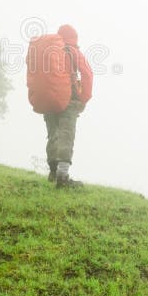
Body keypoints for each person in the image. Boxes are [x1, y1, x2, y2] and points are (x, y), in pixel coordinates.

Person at [45, 24, 93, 188]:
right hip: (69, 101)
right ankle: (63, 177)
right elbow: (87, 74)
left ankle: (52, 172)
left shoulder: (48, 51)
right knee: (67, 136)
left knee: (53, 134)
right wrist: (83, 99)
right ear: (74, 38)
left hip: (48, 99)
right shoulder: (73, 51)